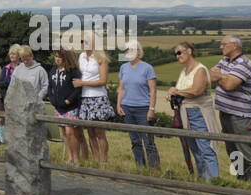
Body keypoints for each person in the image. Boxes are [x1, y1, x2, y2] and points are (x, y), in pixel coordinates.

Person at [209, 35, 251, 183]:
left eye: (223, 44)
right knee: (233, 151)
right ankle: (243, 181)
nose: (220, 47)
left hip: (241, 116)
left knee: (247, 151)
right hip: (226, 113)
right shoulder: (225, 60)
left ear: (234, 45)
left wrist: (220, 76)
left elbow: (230, 86)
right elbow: (211, 76)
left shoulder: (244, 63)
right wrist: (224, 77)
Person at [168, 41, 220, 180]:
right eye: (175, 54)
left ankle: (213, 183)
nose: (177, 56)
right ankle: (202, 180)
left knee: (206, 149)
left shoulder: (200, 69)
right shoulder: (184, 71)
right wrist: (175, 93)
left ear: (189, 51)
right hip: (186, 113)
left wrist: (177, 91)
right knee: (195, 150)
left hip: (199, 112)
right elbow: (186, 91)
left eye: (179, 52)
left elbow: (197, 90)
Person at [117, 39, 160, 170]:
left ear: (138, 51)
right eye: (125, 51)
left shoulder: (147, 68)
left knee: (148, 142)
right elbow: (121, 88)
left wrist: (151, 109)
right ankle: (140, 168)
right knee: (135, 141)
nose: (127, 53)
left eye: (130, 50)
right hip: (127, 108)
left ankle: (154, 170)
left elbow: (153, 90)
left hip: (143, 108)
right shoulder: (123, 67)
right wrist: (119, 105)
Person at [73, 32, 112, 164]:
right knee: (90, 132)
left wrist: (82, 83)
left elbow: (103, 81)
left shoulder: (101, 57)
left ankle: (104, 161)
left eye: (85, 41)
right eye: (81, 41)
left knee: (100, 133)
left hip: (98, 97)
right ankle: (95, 160)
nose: (83, 44)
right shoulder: (82, 56)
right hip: (84, 97)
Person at [49, 49, 87, 164]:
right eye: (56, 57)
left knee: (71, 132)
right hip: (58, 107)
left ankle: (76, 158)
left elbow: (78, 88)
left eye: (60, 57)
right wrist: (52, 99)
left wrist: (68, 101)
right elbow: (49, 87)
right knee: (64, 134)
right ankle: (70, 157)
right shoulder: (53, 70)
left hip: (70, 107)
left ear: (66, 58)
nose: (57, 59)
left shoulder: (73, 70)